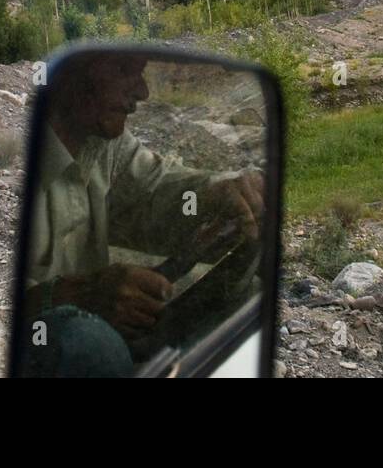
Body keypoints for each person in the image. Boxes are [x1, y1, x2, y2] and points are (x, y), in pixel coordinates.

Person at [24, 53, 264, 347]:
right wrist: (81, 296)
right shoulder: (15, 172)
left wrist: (215, 194)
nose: (143, 92)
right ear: (68, 75)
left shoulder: (103, 142)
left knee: (248, 294)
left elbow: (152, 191)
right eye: (125, 69)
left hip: (98, 342)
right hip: (50, 355)